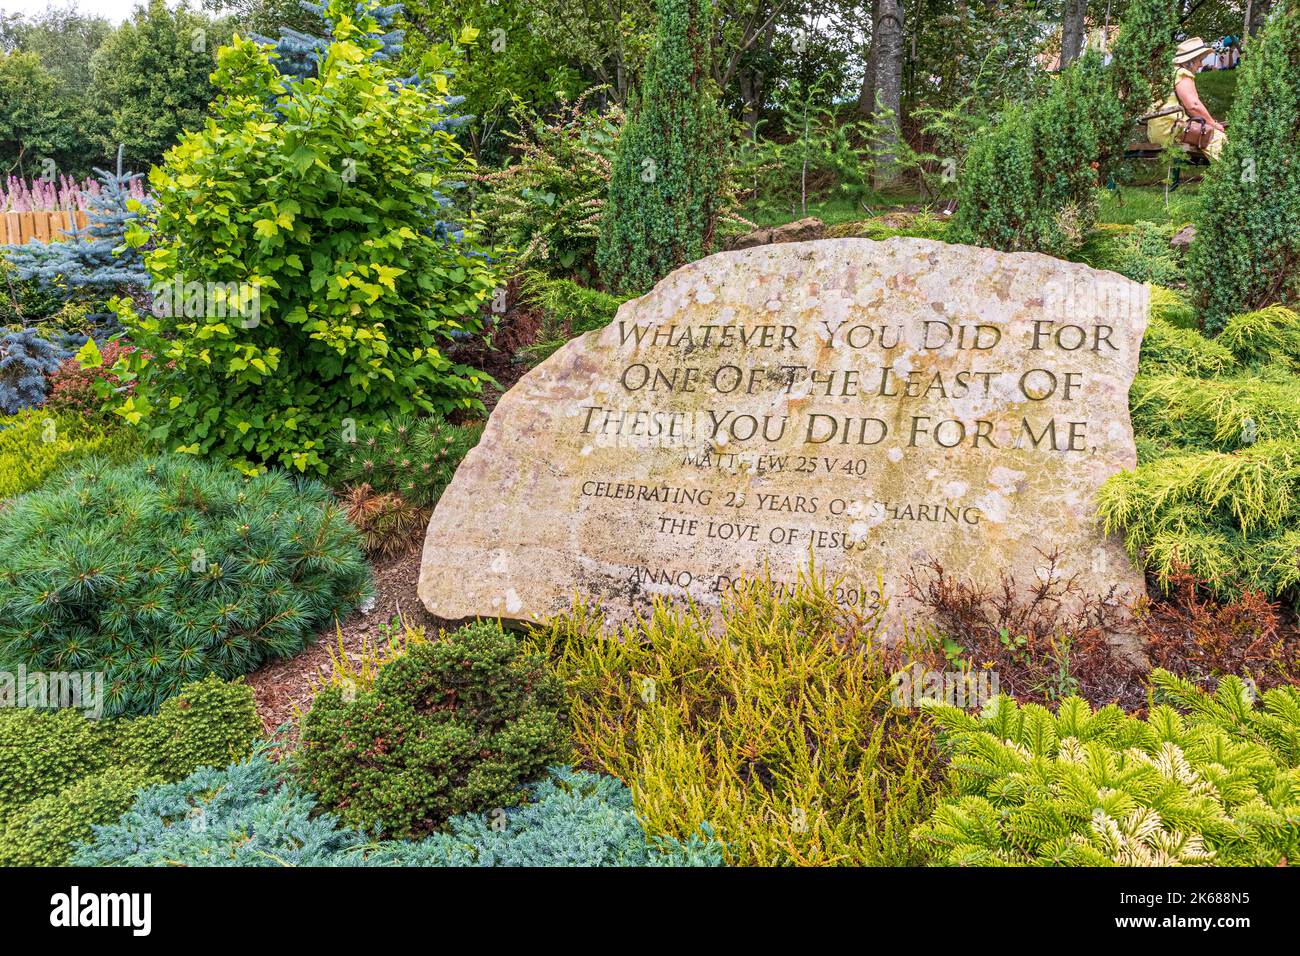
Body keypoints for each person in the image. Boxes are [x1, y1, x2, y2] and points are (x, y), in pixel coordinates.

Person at [1147, 37, 1227, 162]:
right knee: (1219, 139)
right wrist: (1213, 123)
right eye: (1199, 60)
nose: (1201, 65)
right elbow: (1193, 105)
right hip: (1173, 129)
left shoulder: (1164, 75)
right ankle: (1240, 177)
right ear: (1189, 61)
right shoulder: (1182, 73)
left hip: (1158, 132)